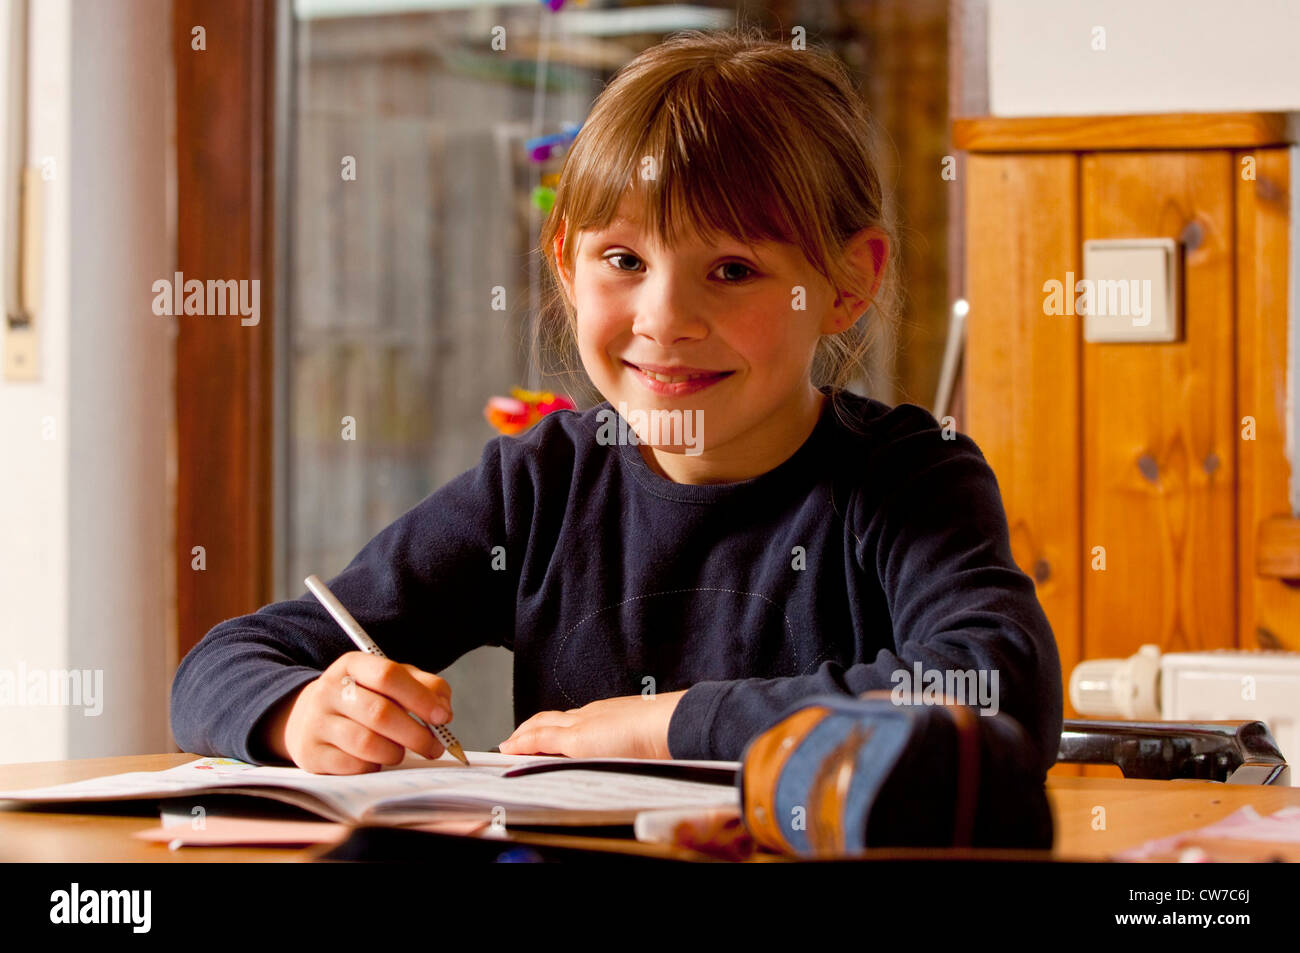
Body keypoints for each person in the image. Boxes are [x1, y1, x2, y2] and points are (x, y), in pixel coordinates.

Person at [170, 27, 1063, 778]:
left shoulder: (906, 478)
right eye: (624, 261)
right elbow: (218, 666)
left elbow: (996, 686)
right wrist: (300, 710)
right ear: (566, 261)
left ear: (845, 283)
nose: (665, 320)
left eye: (733, 270)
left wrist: (660, 727)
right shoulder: (537, 488)